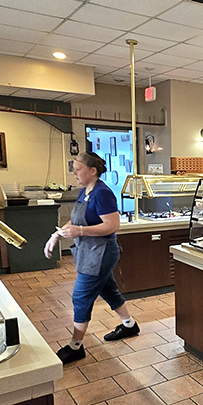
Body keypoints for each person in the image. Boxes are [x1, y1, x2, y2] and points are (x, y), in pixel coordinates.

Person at [44, 152, 140, 364]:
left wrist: (80, 231)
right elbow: (76, 218)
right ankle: (129, 325)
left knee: (81, 297)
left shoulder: (102, 193)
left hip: (101, 253)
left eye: (78, 168)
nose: (74, 173)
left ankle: (75, 346)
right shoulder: (85, 191)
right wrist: (56, 235)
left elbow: (113, 225)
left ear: (92, 171)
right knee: (108, 289)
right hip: (89, 251)